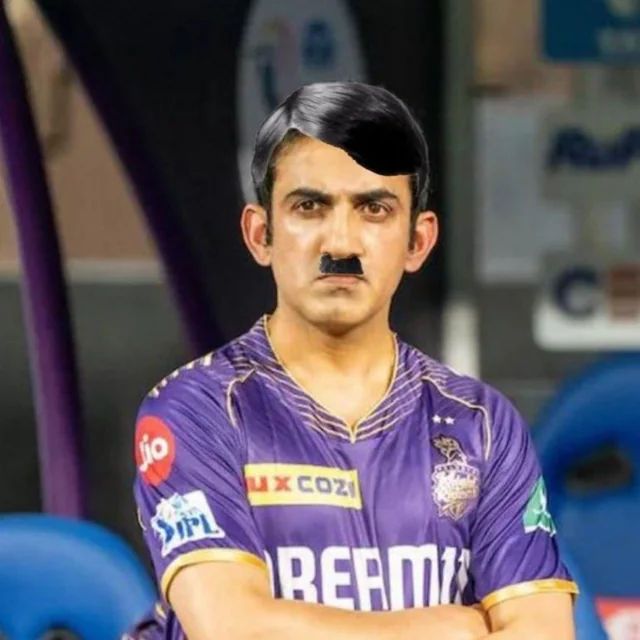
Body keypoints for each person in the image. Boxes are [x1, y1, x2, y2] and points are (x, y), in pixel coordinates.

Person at [132, 82, 577, 640]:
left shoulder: (481, 424)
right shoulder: (197, 410)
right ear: (260, 234)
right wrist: (449, 630)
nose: (341, 243)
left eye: (374, 209)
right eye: (309, 206)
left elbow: (543, 633)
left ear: (418, 241)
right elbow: (234, 630)